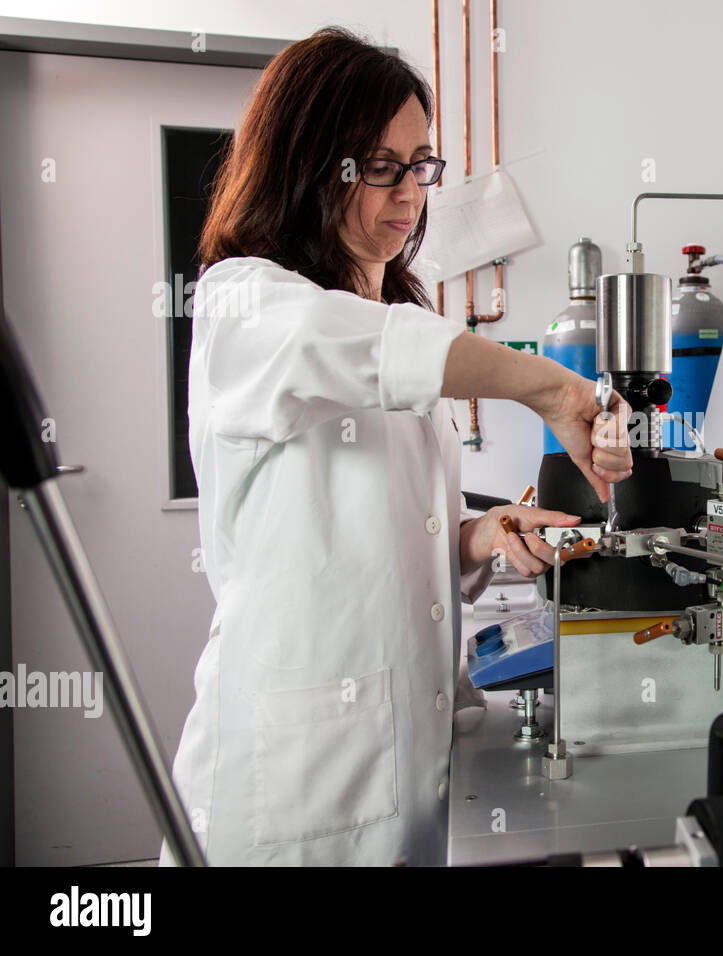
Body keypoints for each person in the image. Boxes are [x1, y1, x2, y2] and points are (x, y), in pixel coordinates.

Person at [159, 27, 632, 866]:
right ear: (305, 166)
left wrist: (485, 536)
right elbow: (357, 345)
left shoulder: (401, 326)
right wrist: (554, 386)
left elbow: (403, 539)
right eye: (379, 165)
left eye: (421, 163)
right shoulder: (247, 301)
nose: (410, 189)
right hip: (302, 778)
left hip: (411, 753)